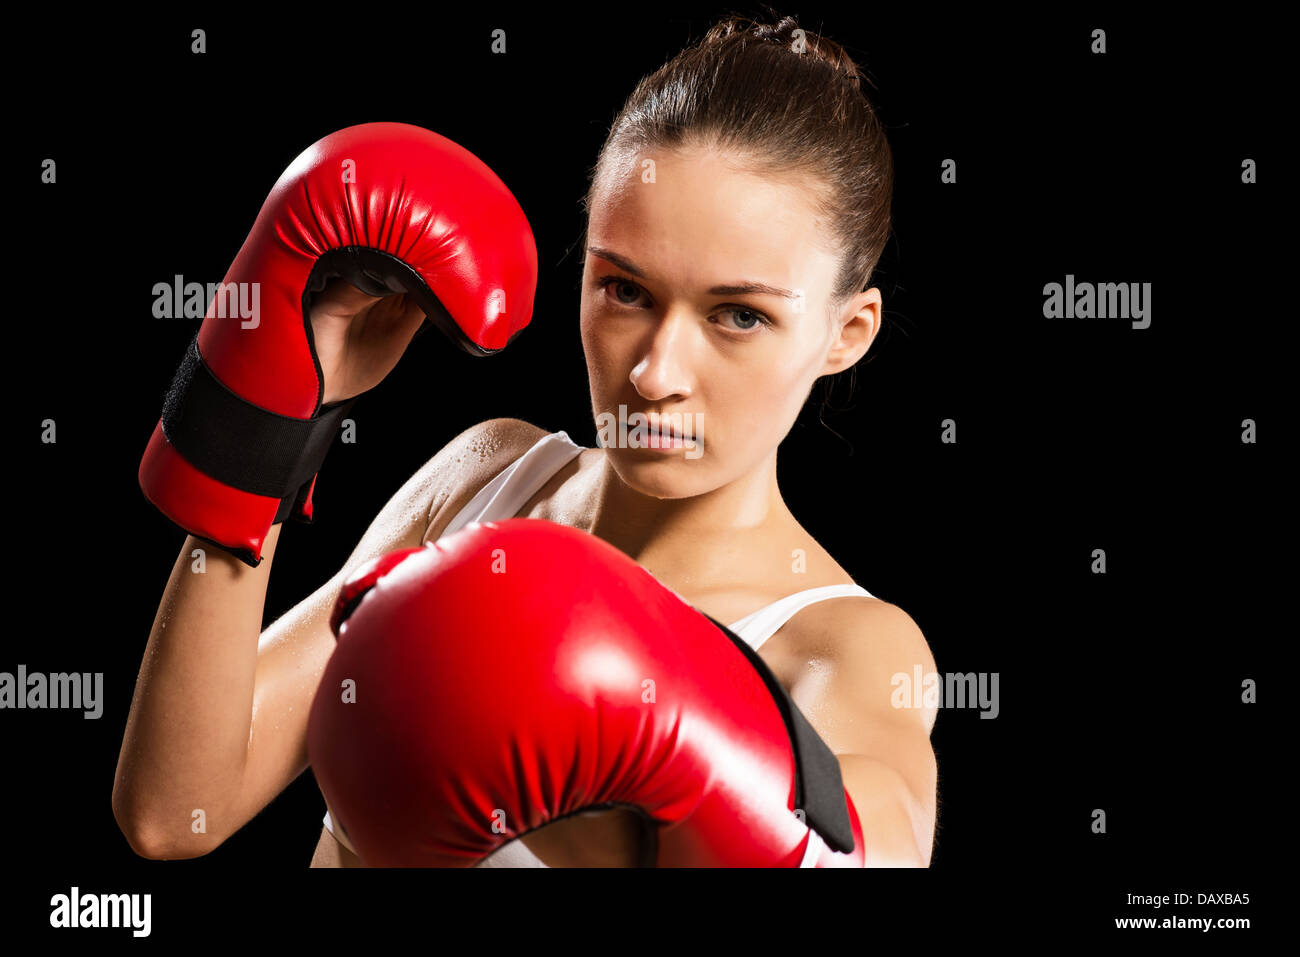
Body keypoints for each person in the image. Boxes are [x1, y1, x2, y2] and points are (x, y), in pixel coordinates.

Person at [115, 12, 938, 868]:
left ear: (849, 331)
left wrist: (673, 740)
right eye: (624, 289)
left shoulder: (841, 644)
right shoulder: (491, 476)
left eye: (739, 315)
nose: (655, 373)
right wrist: (270, 413)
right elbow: (175, 811)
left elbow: (877, 844)